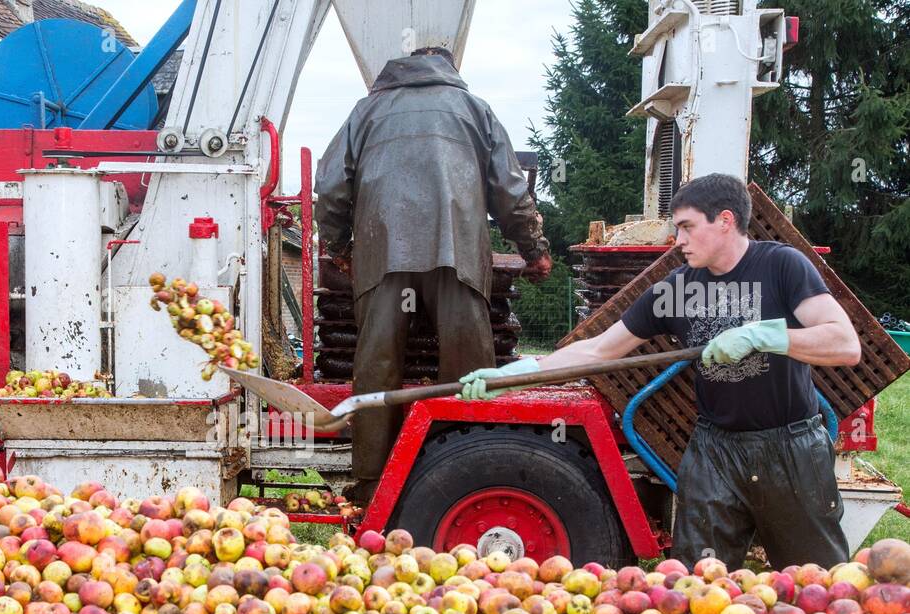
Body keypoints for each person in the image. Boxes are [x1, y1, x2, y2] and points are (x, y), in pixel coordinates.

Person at [459, 173, 861, 569]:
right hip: (715, 450)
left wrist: (766, 336)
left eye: (687, 227)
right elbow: (601, 350)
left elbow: (844, 345)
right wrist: (519, 372)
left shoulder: (781, 266)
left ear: (724, 220)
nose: (679, 240)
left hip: (788, 446)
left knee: (817, 581)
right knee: (699, 584)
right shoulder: (677, 288)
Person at [315, 44, 552, 506]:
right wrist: (533, 248)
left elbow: (331, 187)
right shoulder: (474, 108)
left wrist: (340, 244)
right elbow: (509, 188)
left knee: (377, 365)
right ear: (450, 69)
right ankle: (462, 469)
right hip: (457, 252)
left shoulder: (367, 110)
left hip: (382, 255)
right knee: (469, 368)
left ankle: (369, 484)